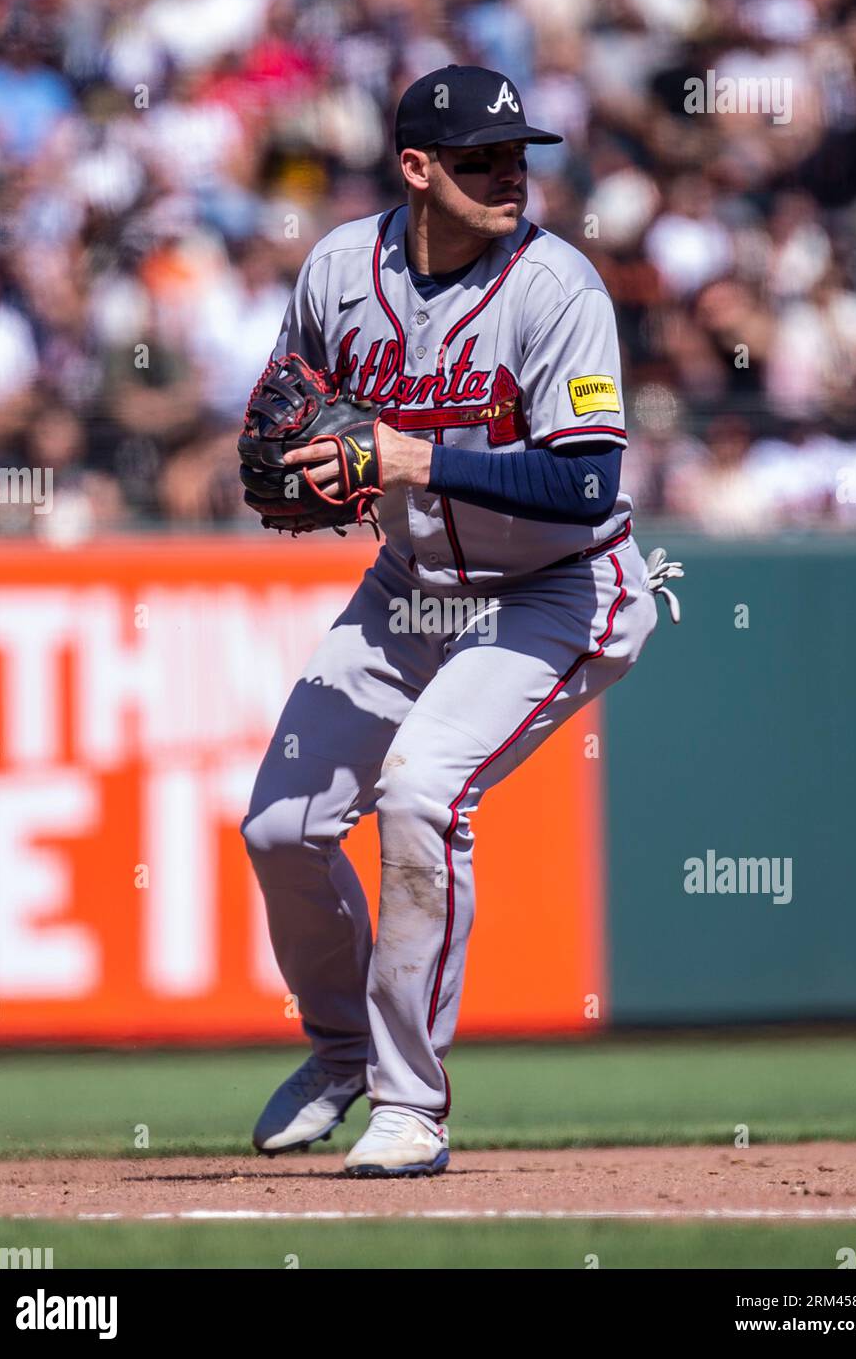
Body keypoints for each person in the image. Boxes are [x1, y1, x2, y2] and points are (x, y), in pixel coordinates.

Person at [241, 65, 678, 1178]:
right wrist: (305, 464)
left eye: (517, 155)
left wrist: (407, 455)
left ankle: (411, 1104)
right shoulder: (341, 267)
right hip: (410, 585)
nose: (508, 175)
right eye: (480, 157)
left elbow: (589, 485)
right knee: (282, 828)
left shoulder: (559, 288)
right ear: (417, 168)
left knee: (423, 787)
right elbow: (284, 406)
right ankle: (342, 1048)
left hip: (561, 587)